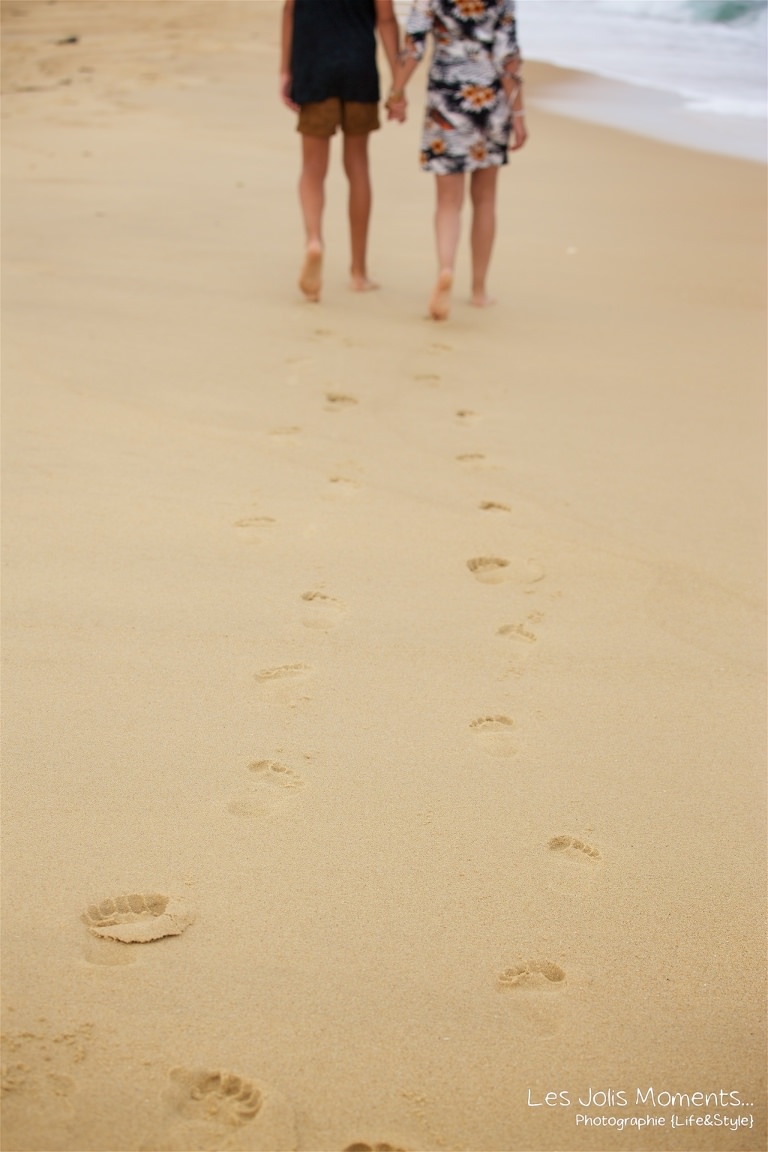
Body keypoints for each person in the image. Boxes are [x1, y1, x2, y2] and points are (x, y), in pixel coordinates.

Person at [387, 0, 527, 320]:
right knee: (485, 200)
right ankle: (479, 290)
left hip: (446, 102)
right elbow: (508, 56)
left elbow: (414, 46)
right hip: (490, 101)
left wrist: (396, 92)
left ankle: (446, 269)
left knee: (448, 202)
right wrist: (518, 113)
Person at [280, 0, 401, 301]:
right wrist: (398, 84)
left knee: (312, 169)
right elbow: (386, 19)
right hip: (359, 68)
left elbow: (290, 10)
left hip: (314, 67)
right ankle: (358, 272)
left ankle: (314, 239)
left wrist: (285, 69)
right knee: (358, 167)